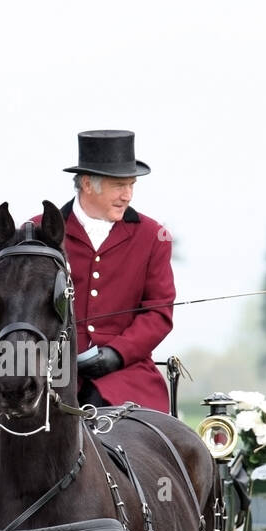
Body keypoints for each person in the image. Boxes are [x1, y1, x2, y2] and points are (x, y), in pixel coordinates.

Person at [58, 128, 176, 412]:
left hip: (126, 373)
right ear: (87, 184)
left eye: (131, 185)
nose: (127, 196)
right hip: (56, 373)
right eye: (118, 186)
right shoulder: (41, 231)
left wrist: (116, 353)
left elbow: (158, 312)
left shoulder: (152, 236)